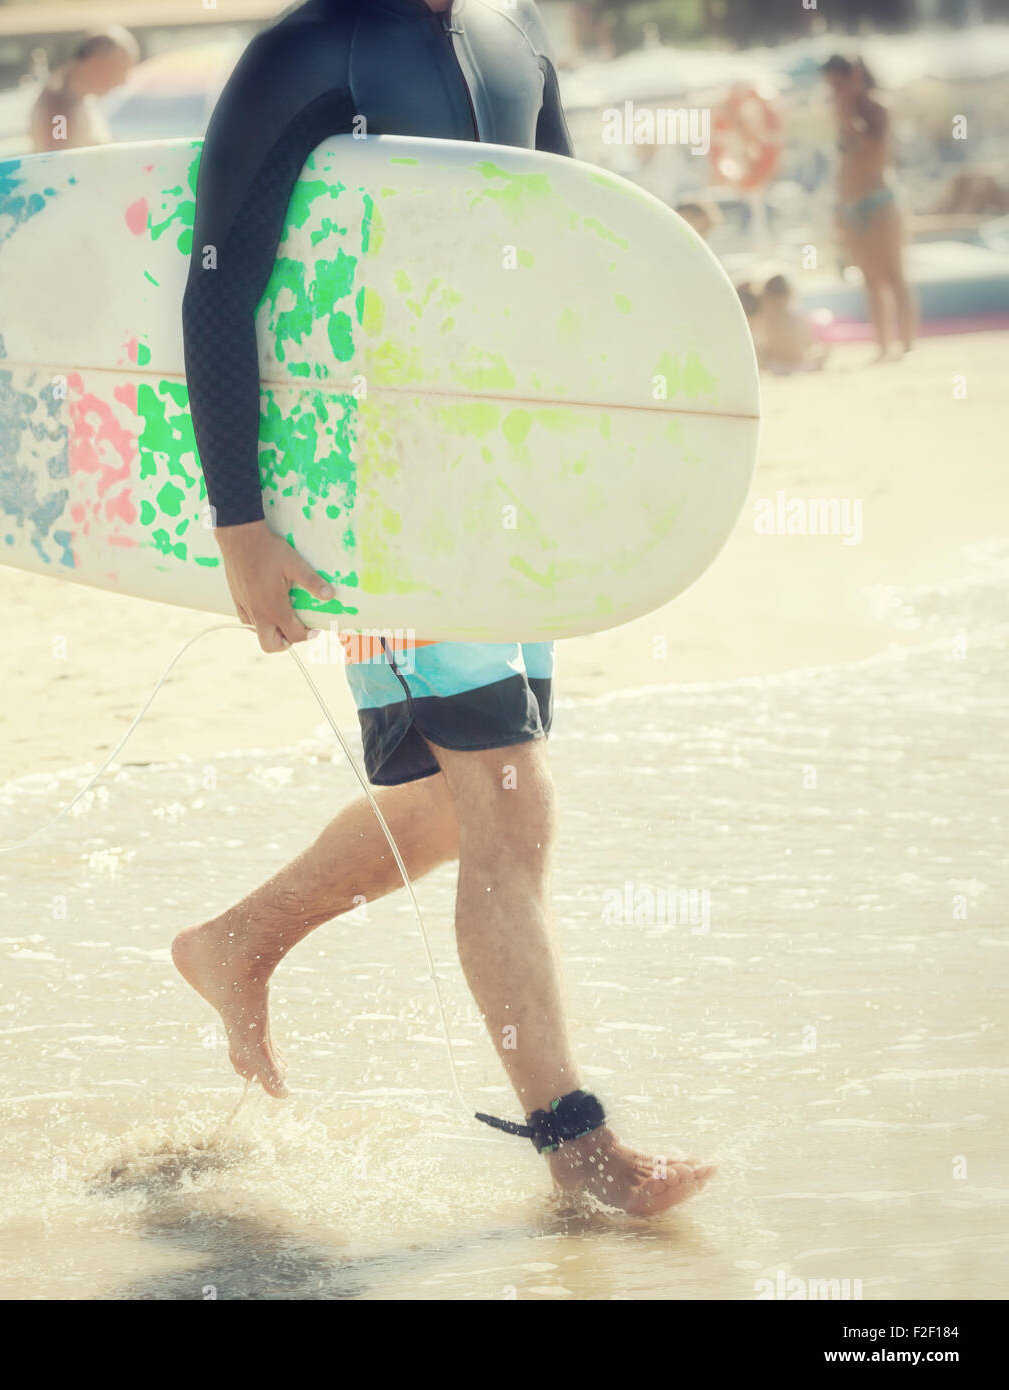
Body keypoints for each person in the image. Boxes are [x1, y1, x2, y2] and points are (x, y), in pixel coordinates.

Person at [175, 0, 715, 1217]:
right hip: (387, 496)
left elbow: (571, 246)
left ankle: (234, 945)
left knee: (437, 809)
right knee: (510, 810)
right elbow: (218, 287)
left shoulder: (514, 35)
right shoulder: (309, 49)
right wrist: (241, 523)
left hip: (507, 481)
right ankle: (578, 1146)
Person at [823, 54, 916, 359]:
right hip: (851, 205)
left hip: (879, 201)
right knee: (870, 279)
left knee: (894, 275)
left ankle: (907, 343)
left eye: (838, 84)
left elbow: (873, 153)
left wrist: (849, 118)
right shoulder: (839, 111)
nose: (834, 92)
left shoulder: (877, 107)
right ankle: (882, 344)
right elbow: (845, 162)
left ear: (855, 77)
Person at [30, 27, 139, 153]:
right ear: (97, 62)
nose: (123, 81)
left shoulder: (79, 96)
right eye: (121, 70)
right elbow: (55, 162)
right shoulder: (59, 106)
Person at [758, 274, 827, 374]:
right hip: (799, 365)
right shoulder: (797, 317)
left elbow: (764, 347)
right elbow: (809, 343)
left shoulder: (765, 318)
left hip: (775, 365)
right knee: (822, 353)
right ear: (789, 294)